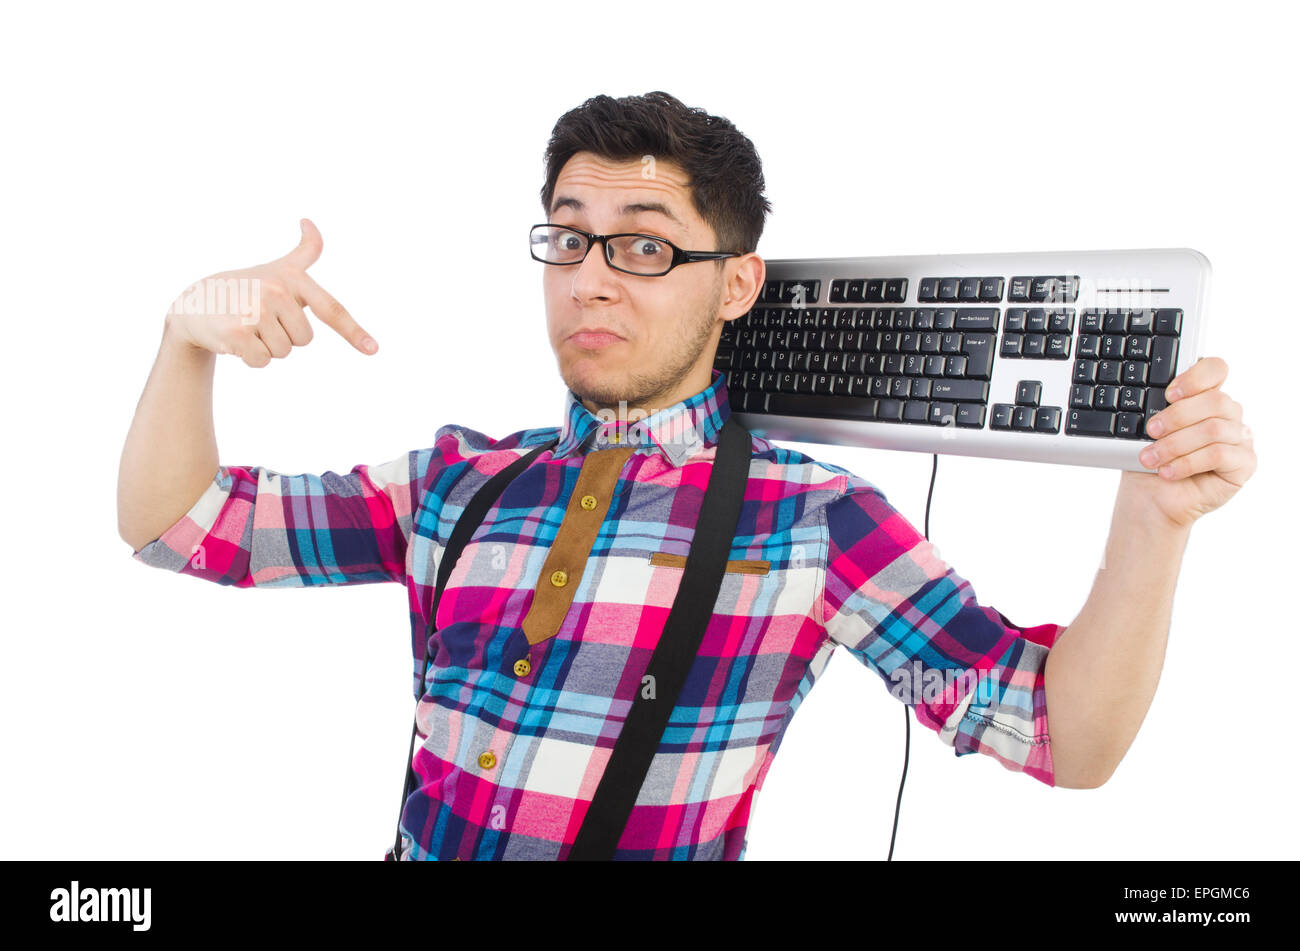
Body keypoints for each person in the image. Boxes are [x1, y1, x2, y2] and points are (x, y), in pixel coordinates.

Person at [117, 91, 1257, 861]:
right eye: (568, 237)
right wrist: (185, 338)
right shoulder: (456, 482)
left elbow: (1062, 737)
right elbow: (181, 527)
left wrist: (1154, 523)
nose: (591, 280)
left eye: (645, 244)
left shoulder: (811, 522)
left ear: (736, 283)